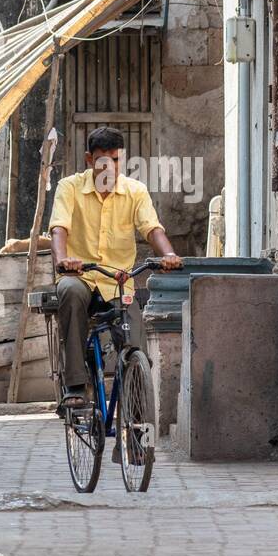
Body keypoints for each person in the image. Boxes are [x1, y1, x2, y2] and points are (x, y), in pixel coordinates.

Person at [48, 127, 183, 407]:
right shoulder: (69, 187)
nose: (110, 167)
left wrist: (169, 254)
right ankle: (75, 386)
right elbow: (59, 228)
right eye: (103, 161)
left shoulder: (135, 191)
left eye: (116, 160)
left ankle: (135, 411)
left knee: (134, 339)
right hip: (80, 276)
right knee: (70, 293)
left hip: (119, 282)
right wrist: (63, 261)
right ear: (89, 160)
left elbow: (152, 228)